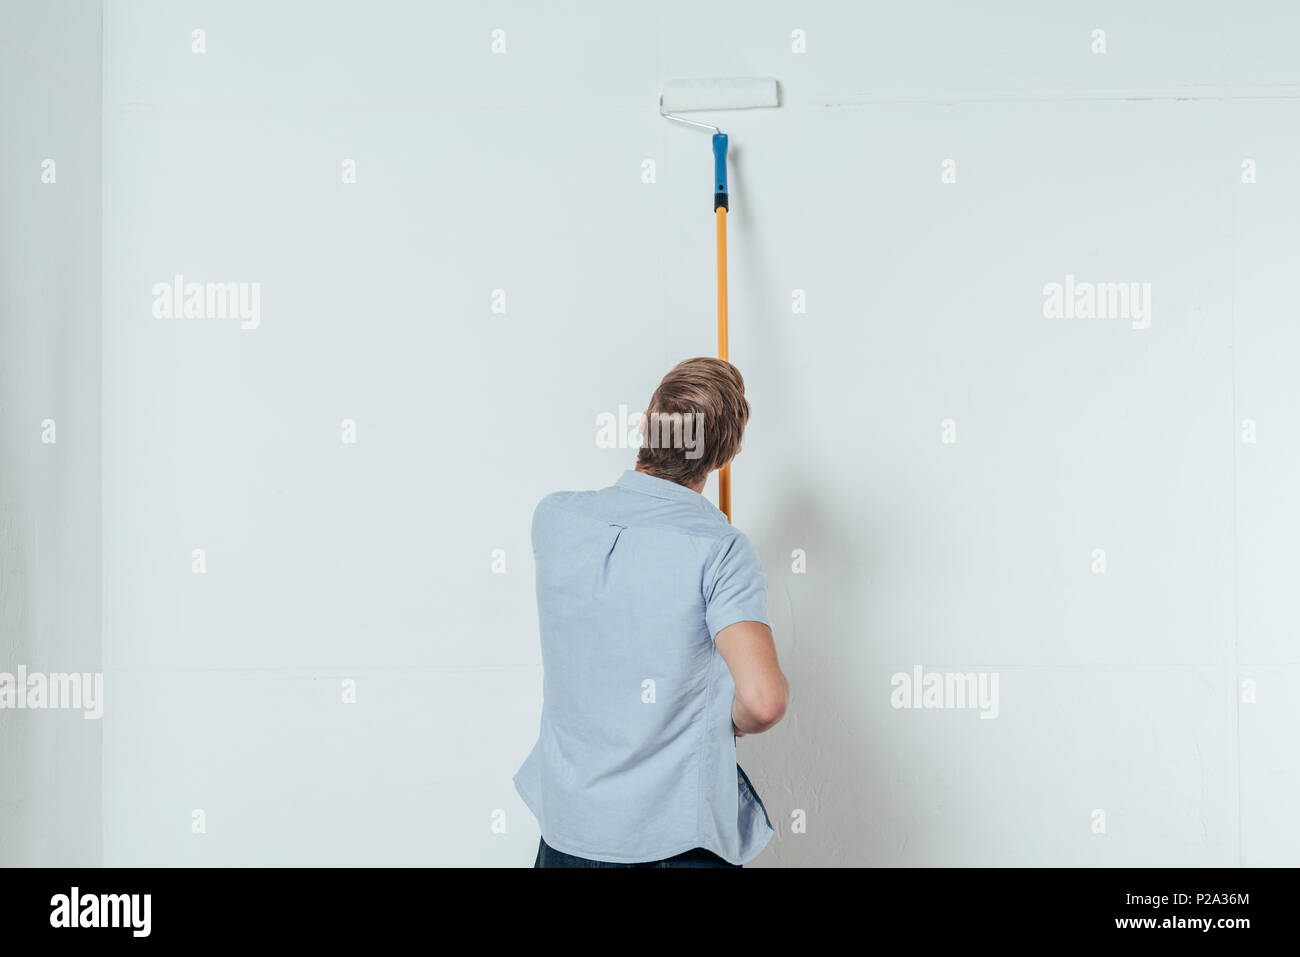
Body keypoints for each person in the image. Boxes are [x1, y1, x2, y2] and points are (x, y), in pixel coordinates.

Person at [514, 357, 789, 868]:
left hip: (567, 837)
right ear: (725, 456)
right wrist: (726, 717)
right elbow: (764, 702)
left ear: (644, 424)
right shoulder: (721, 549)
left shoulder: (554, 518)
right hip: (672, 844)